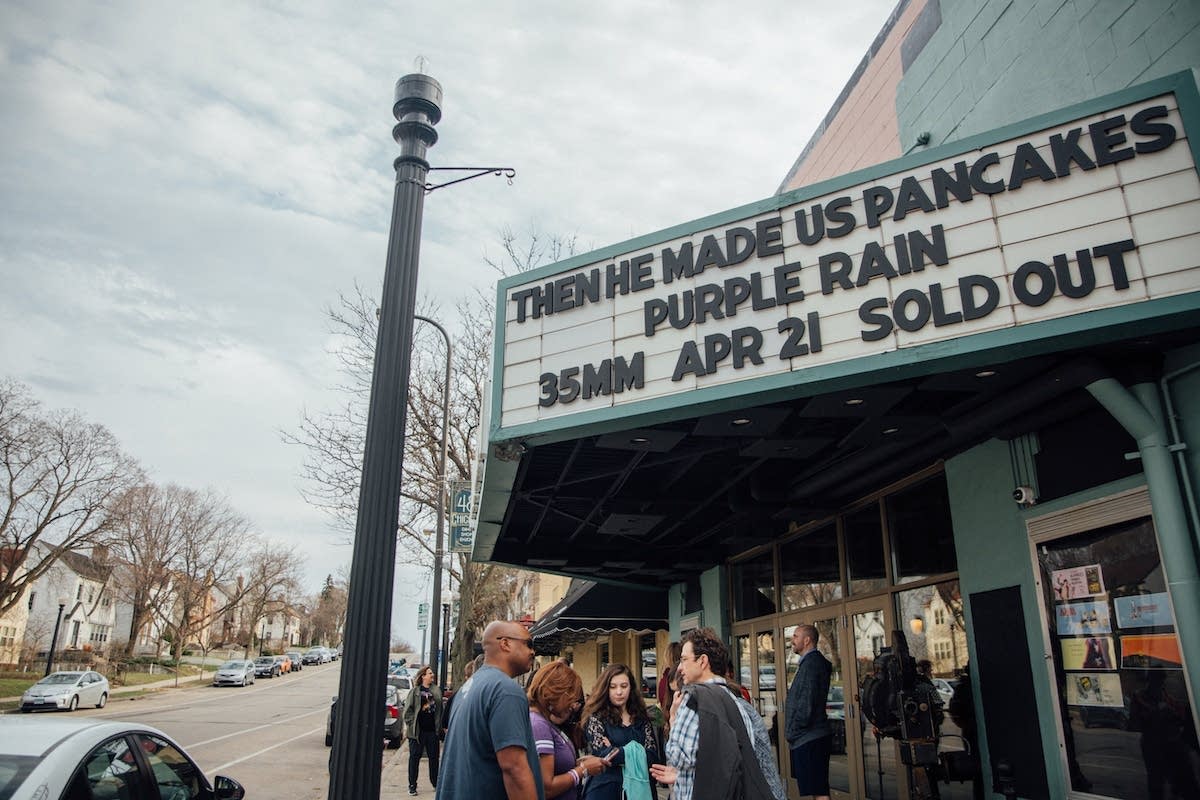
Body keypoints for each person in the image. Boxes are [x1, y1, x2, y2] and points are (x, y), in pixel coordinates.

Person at [649, 627, 785, 800]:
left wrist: (674, 719)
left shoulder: (692, 701)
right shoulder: (739, 703)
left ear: (703, 661)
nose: (680, 668)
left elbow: (680, 758)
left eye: (684, 660)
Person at [436, 621, 545, 800]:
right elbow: (514, 769)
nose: (533, 651)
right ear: (505, 643)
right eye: (528, 644)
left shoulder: (470, 686)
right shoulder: (505, 690)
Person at [528, 660, 609, 800]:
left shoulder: (543, 721)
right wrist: (583, 770)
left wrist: (577, 764)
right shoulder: (539, 726)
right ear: (555, 693)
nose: (572, 705)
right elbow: (546, 788)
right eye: (570, 698)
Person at [582, 663, 660, 799]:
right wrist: (637, 753)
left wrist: (616, 750)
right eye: (613, 687)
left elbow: (652, 758)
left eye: (624, 686)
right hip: (605, 791)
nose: (619, 692)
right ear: (606, 689)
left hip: (640, 791)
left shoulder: (641, 718)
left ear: (631, 688)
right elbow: (603, 755)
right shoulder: (597, 718)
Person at [785, 624, 832, 800]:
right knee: (817, 789)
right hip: (809, 737)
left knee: (819, 792)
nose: (792, 640)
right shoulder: (810, 663)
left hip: (810, 738)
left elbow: (807, 703)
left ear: (807, 640)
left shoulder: (812, 664)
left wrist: (794, 730)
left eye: (796, 636)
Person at [404, 665, 443, 796]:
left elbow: (439, 710)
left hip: (432, 731)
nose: (432, 675)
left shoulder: (436, 690)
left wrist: (439, 728)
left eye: (432, 673)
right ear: (423, 676)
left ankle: (435, 783)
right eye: (430, 673)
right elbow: (407, 711)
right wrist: (411, 724)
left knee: (434, 758)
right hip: (417, 733)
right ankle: (412, 785)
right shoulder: (415, 691)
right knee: (414, 758)